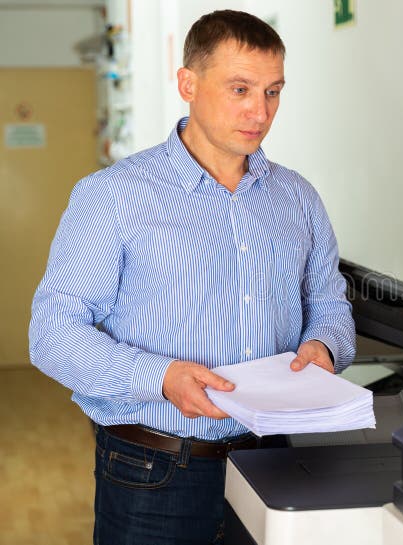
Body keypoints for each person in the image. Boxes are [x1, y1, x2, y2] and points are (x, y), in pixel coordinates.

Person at [29, 10, 356, 545]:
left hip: (273, 465)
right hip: (152, 474)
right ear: (188, 83)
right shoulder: (111, 197)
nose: (260, 111)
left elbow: (328, 302)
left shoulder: (297, 198)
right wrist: (160, 377)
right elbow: (52, 335)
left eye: (273, 91)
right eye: (240, 89)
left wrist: (325, 346)